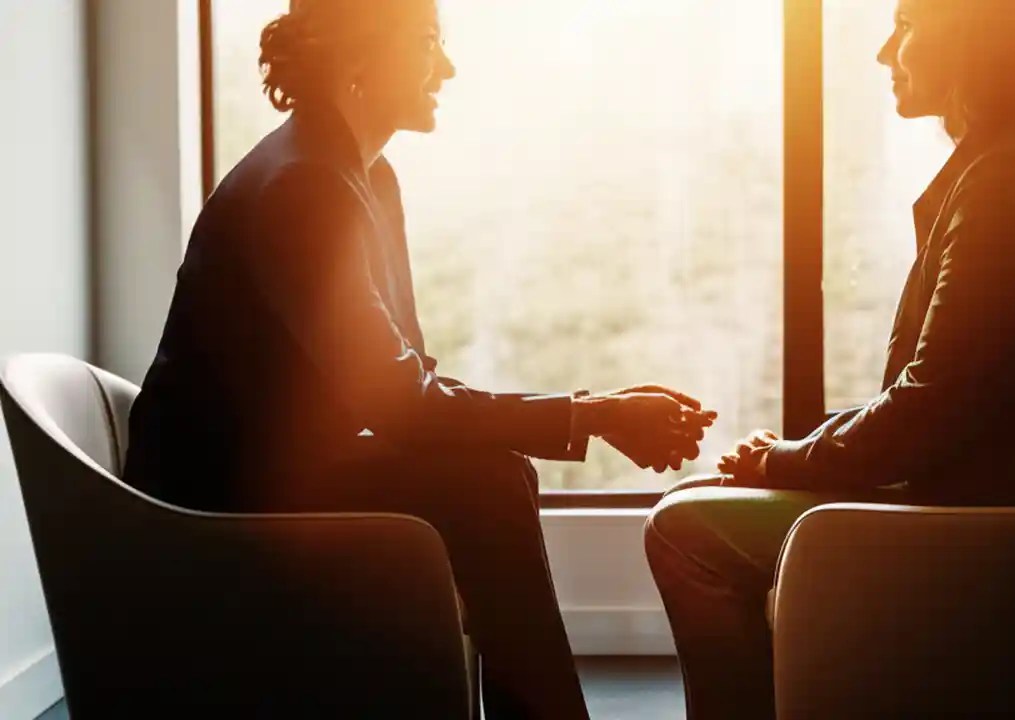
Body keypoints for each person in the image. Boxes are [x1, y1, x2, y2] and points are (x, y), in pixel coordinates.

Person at [123, 1, 714, 717]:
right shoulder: (303, 187)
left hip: (281, 470)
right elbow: (401, 406)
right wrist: (596, 416)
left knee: (495, 474)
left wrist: (594, 413)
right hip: (215, 504)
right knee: (486, 486)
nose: (448, 68)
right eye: (429, 42)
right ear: (358, 55)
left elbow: (410, 382)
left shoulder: (367, 178)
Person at [646, 1, 1015, 718]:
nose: (885, 52)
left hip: (1000, 532)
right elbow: (951, 393)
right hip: (1003, 501)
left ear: (971, 40)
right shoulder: (1014, 167)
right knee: (699, 501)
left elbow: (929, 406)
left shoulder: (1013, 184)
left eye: (907, 27)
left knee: (683, 531)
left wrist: (784, 461)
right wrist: (794, 454)